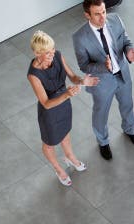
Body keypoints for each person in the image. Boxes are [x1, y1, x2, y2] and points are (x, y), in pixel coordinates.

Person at [72, 0, 134, 160]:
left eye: (104, 11)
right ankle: (103, 141)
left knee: (127, 104)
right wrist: (103, 67)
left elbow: (125, 40)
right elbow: (84, 65)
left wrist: (129, 52)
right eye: (97, 14)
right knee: (101, 112)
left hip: (122, 73)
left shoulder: (115, 19)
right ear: (87, 15)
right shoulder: (79, 37)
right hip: (101, 82)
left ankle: (130, 130)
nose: (103, 17)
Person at [27, 30, 99, 186]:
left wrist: (81, 81)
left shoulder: (58, 55)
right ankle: (58, 168)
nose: (52, 53)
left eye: (52, 48)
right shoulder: (33, 75)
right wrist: (66, 95)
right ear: (37, 53)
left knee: (65, 132)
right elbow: (46, 103)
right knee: (49, 143)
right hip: (50, 111)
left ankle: (70, 157)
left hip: (64, 103)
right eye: (47, 52)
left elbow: (72, 76)